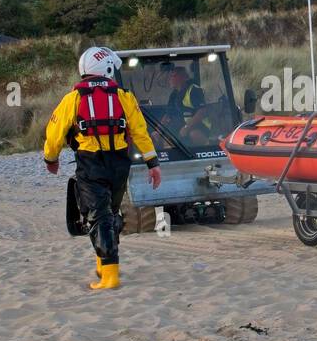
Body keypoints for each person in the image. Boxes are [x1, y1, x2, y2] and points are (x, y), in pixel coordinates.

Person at [43, 46, 162, 289]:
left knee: (99, 217)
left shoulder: (73, 98)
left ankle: (110, 277)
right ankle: (102, 264)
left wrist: (50, 159)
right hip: (119, 163)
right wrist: (153, 163)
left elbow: (54, 134)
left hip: (90, 163)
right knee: (109, 215)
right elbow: (140, 132)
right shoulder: (124, 96)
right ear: (106, 68)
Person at [166, 66, 213, 145]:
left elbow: (202, 111)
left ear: (182, 77)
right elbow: (168, 114)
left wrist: (186, 128)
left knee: (194, 134)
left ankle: (206, 149)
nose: (169, 79)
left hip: (200, 125)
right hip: (180, 125)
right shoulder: (173, 95)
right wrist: (158, 130)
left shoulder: (194, 90)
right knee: (166, 138)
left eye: (172, 76)